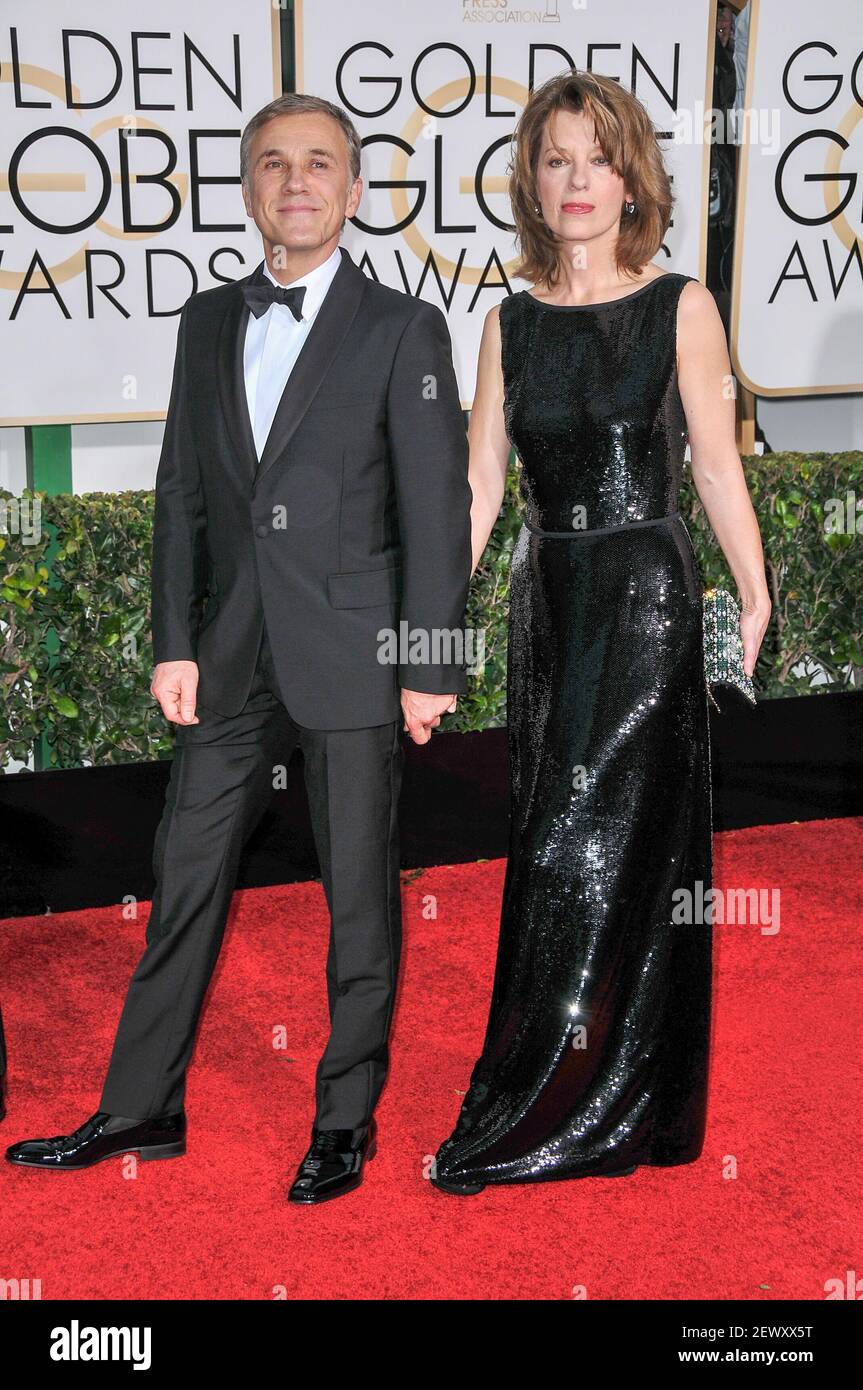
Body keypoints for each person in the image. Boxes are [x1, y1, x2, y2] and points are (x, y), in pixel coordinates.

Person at [6, 93, 472, 1204]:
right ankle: (139, 1105)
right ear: (249, 187)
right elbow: (182, 497)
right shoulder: (208, 319)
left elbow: (436, 512)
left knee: (356, 892)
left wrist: (430, 663)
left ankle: (343, 1119)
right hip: (226, 656)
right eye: (273, 163)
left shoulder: (402, 328)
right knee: (182, 875)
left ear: (353, 193)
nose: (295, 181)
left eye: (319, 164)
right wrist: (175, 642)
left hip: (357, 655)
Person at [431, 69, 771, 1195]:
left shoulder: (679, 306)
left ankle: (595, 1104)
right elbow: (478, 488)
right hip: (550, 598)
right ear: (532, 180)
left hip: (646, 596)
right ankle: (553, 1087)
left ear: (630, 180)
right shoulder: (504, 322)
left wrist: (751, 590)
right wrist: (433, 628)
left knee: (615, 847)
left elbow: (715, 464)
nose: (576, 180)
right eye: (555, 158)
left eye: (598, 157)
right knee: (550, 846)